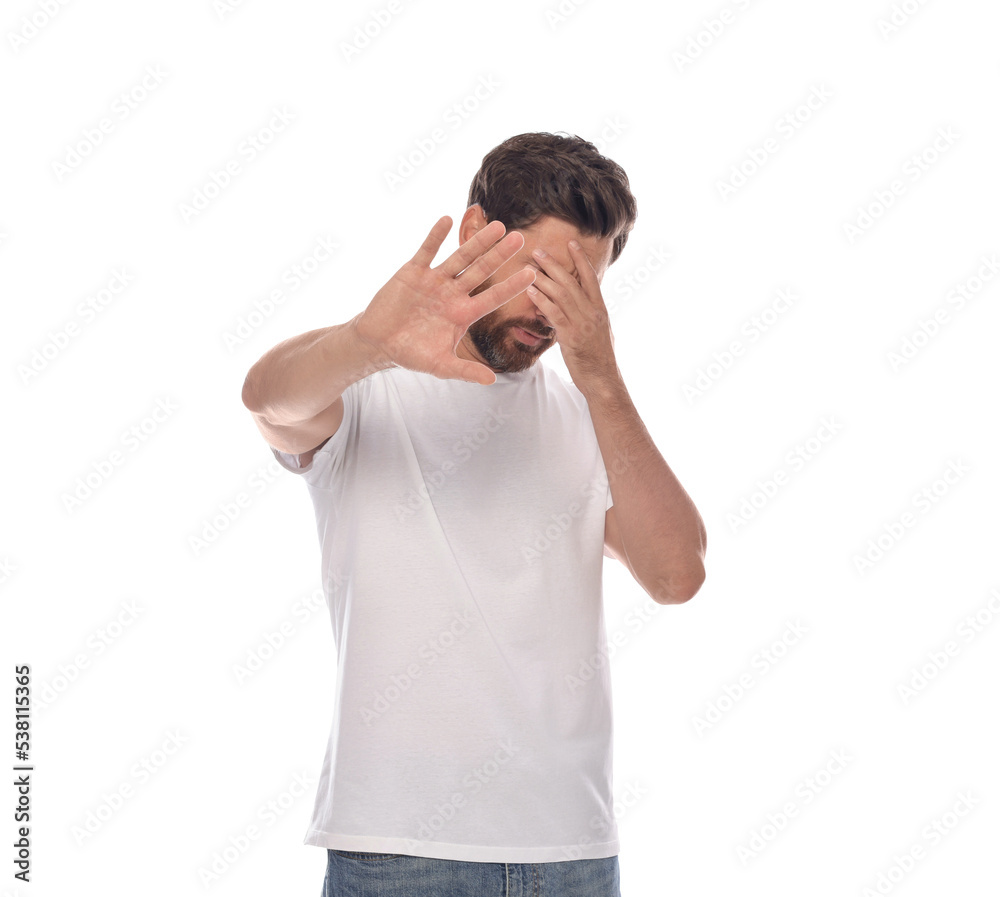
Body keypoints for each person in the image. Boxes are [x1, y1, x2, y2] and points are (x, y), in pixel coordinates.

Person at [241, 132, 707, 897]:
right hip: (400, 854)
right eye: (540, 272)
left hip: (572, 855)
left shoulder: (592, 416)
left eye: (580, 288)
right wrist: (365, 341)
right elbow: (268, 400)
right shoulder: (368, 384)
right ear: (474, 234)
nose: (551, 310)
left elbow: (676, 574)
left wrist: (602, 376)